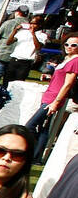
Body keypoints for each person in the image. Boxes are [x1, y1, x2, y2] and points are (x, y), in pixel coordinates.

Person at [23, 32, 78, 161]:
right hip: (50, 95)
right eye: (67, 44)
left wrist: (56, 102)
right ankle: (36, 157)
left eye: (74, 45)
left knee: (30, 126)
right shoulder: (67, 59)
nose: (69, 47)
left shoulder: (75, 61)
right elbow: (61, 79)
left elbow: (68, 84)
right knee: (44, 127)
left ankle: (30, 151)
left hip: (54, 98)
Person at [2, 13, 46, 84]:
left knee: (18, 83)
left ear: (39, 25)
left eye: (34, 24)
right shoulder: (23, 32)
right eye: (31, 23)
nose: (32, 26)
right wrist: (15, 30)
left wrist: (33, 34)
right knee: (6, 81)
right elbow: (9, 42)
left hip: (25, 63)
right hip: (14, 60)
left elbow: (38, 47)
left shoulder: (42, 35)